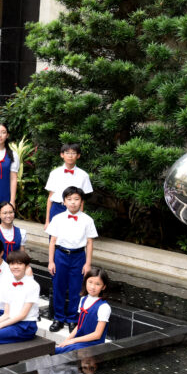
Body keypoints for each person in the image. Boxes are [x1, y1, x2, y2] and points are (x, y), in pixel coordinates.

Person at [47, 187, 97, 332]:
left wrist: (88, 263)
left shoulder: (87, 220)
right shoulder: (57, 219)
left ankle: (72, 319)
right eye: (69, 199)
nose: (73, 203)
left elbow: (89, 243)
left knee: (77, 288)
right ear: (64, 202)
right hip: (60, 255)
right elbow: (52, 241)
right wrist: (51, 261)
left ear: (81, 201)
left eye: (76, 199)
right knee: (59, 287)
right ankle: (58, 318)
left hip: (78, 257)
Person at [56, 267, 111, 353]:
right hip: (80, 340)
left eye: (97, 284)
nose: (92, 287)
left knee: (57, 352)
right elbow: (79, 325)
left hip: (92, 344)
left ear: (103, 287)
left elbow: (97, 334)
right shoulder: (83, 299)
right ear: (85, 282)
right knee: (56, 349)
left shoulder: (104, 307)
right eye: (90, 282)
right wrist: (67, 340)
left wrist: (73, 341)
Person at [43, 143, 92, 227]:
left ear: (78, 155)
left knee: (72, 237)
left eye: (73, 153)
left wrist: (79, 218)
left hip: (74, 209)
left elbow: (82, 200)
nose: (70, 156)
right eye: (67, 153)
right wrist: (47, 221)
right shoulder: (54, 173)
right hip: (57, 207)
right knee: (54, 238)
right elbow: (50, 197)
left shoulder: (84, 175)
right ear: (62, 155)